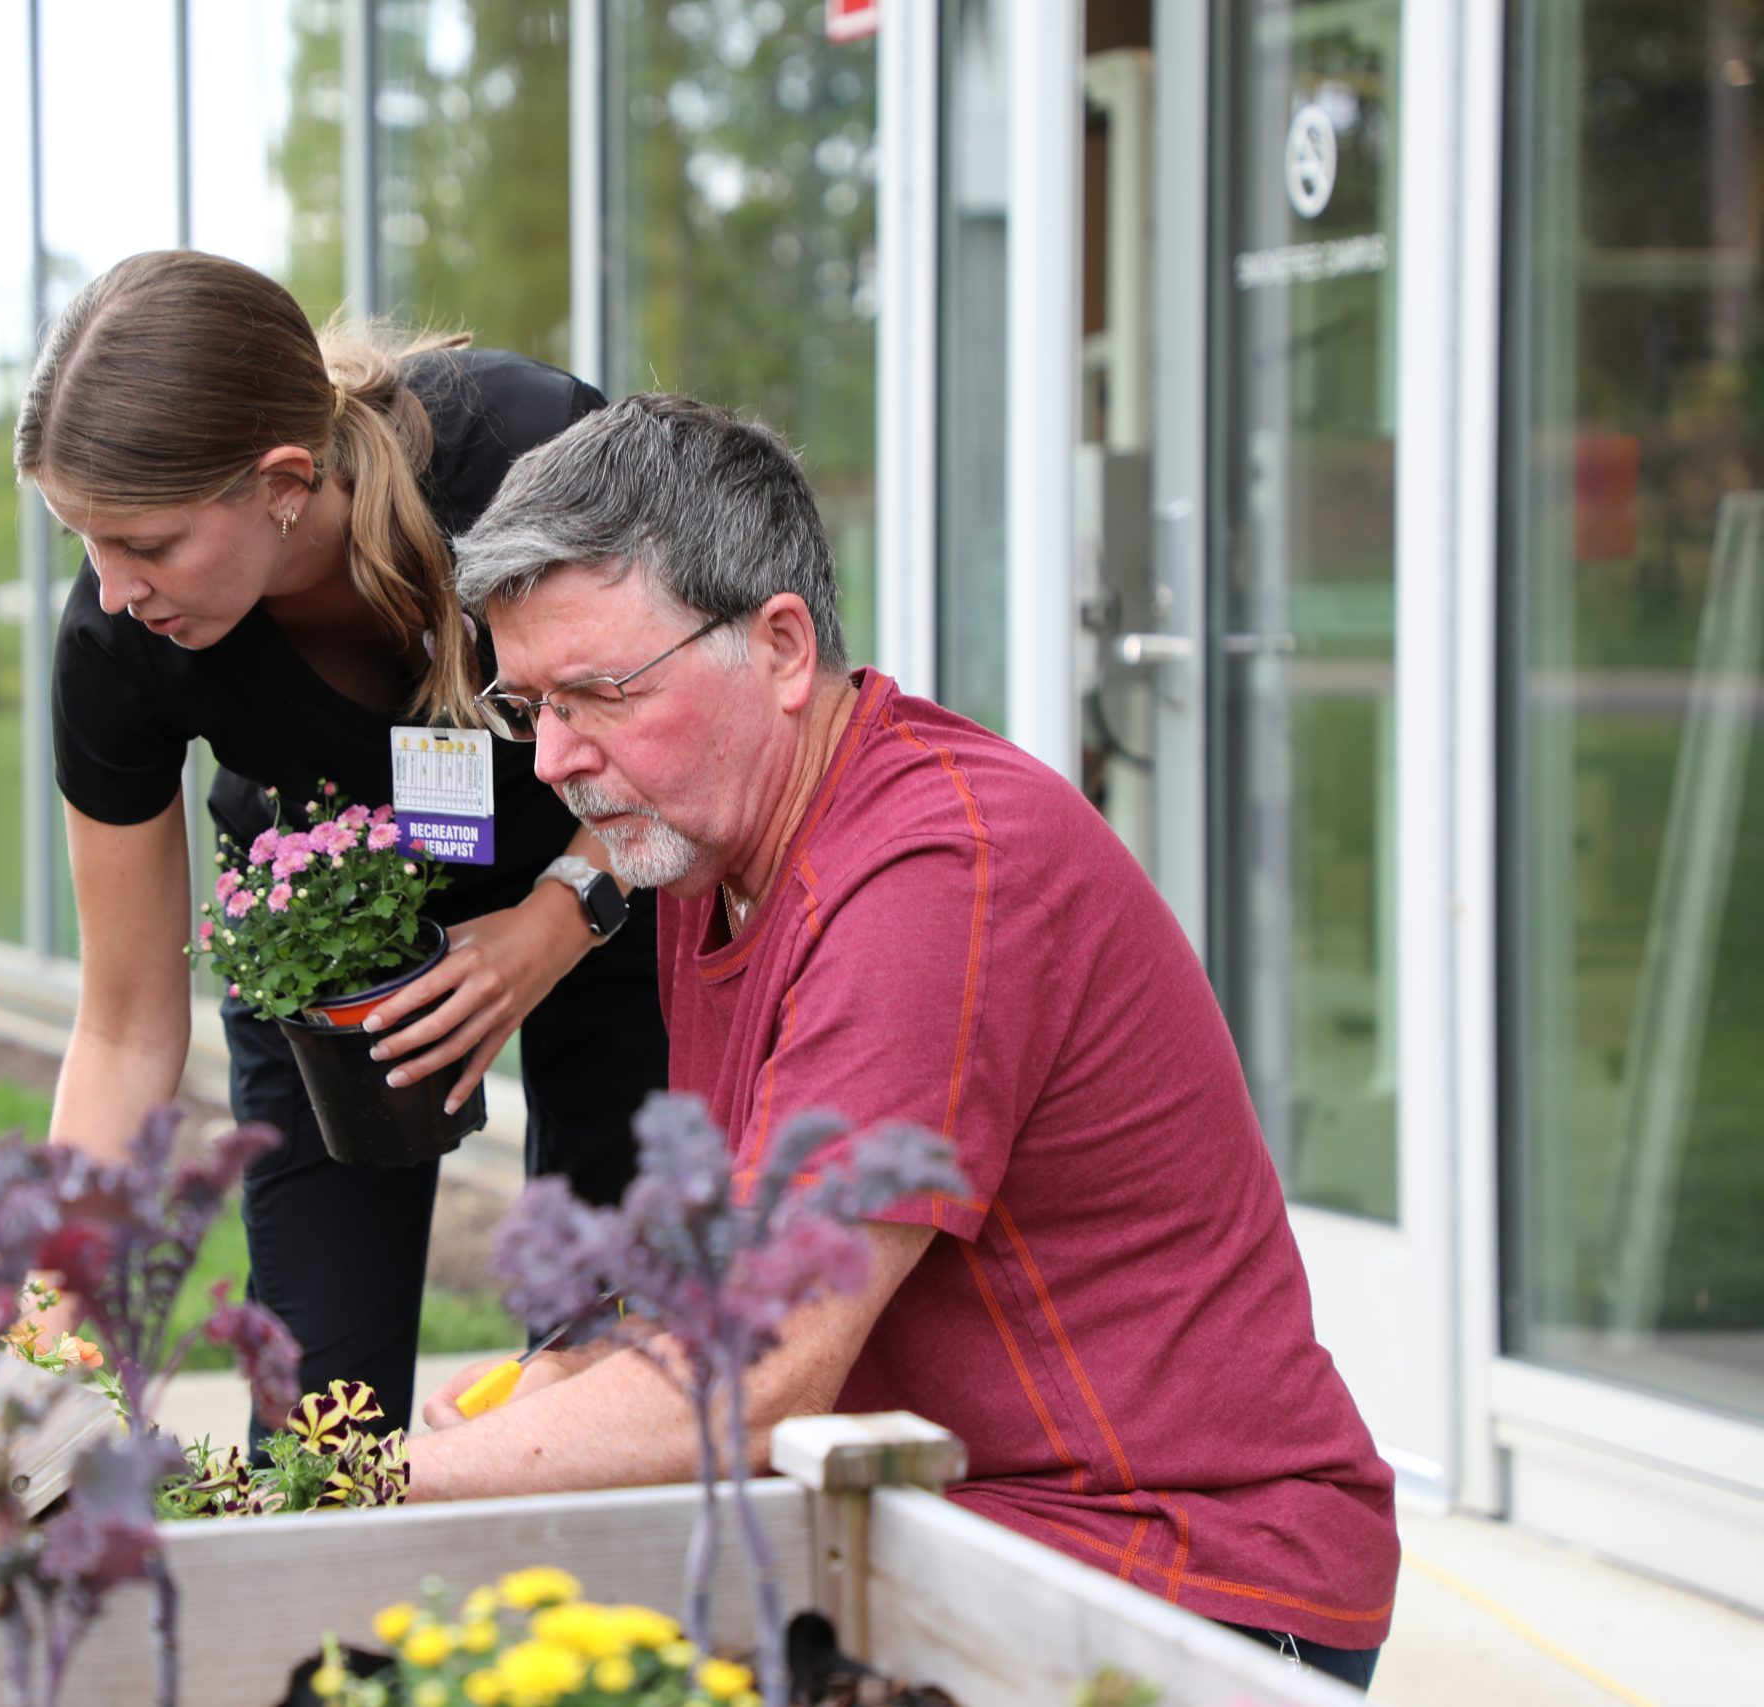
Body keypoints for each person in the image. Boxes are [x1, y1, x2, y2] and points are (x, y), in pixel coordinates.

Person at [406, 394, 1399, 1688]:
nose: (550, 758)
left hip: (1180, 1572)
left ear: (779, 647)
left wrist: (365, 1483)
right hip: (954, 1525)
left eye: (598, 693)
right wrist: (576, 1377)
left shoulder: (930, 876)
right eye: (528, 702)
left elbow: (757, 1372)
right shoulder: (706, 849)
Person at [10, 251, 669, 1437]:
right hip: (333, 945)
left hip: (611, 873)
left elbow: (704, 737)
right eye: (86, 543)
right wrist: (54, 1313)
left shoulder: (531, 458)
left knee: (609, 1369)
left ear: (281, 483)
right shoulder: (118, 645)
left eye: (147, 544)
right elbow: (122, 1024)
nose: (111, 590)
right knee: (322, 1416)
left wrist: (556, 918)